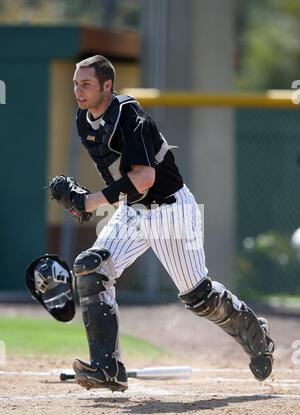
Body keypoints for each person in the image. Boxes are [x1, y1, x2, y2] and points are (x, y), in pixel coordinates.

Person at [66, 55, 274, 392]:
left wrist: (91, 201)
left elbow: (145, 177)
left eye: (86, 83)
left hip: (168, 210)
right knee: (92, 268)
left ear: (107, 85)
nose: (78, 90)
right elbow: (121, 178)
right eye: (76, 83)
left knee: (198, 297)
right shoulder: (83, 119)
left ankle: (255, 334)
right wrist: (78, 199)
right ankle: (108, 367)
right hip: (133, 211)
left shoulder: (128, 116)